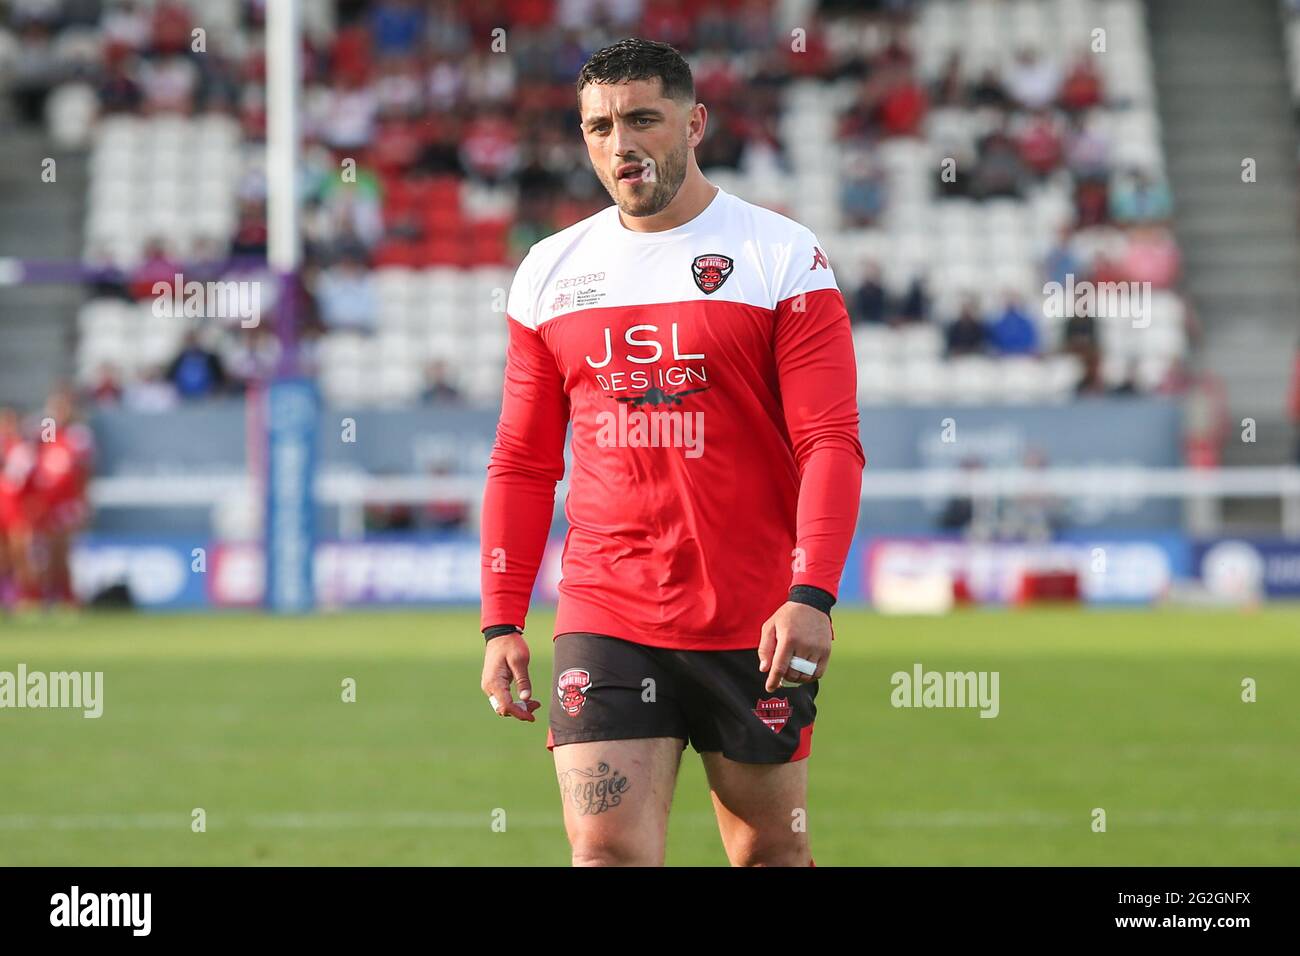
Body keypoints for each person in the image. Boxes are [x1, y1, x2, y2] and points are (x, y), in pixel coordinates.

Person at [478, 39, 864, 868]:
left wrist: (814, 595)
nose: (621, 144)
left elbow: (830, 440)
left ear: (694, 123)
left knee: (769, 854)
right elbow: (521, 460)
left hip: (753, 614)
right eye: (600, 127)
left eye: (643, 119)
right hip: (607, 607)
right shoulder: (549, 272)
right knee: (606, 852)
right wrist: (501, 617)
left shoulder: (779, 256)